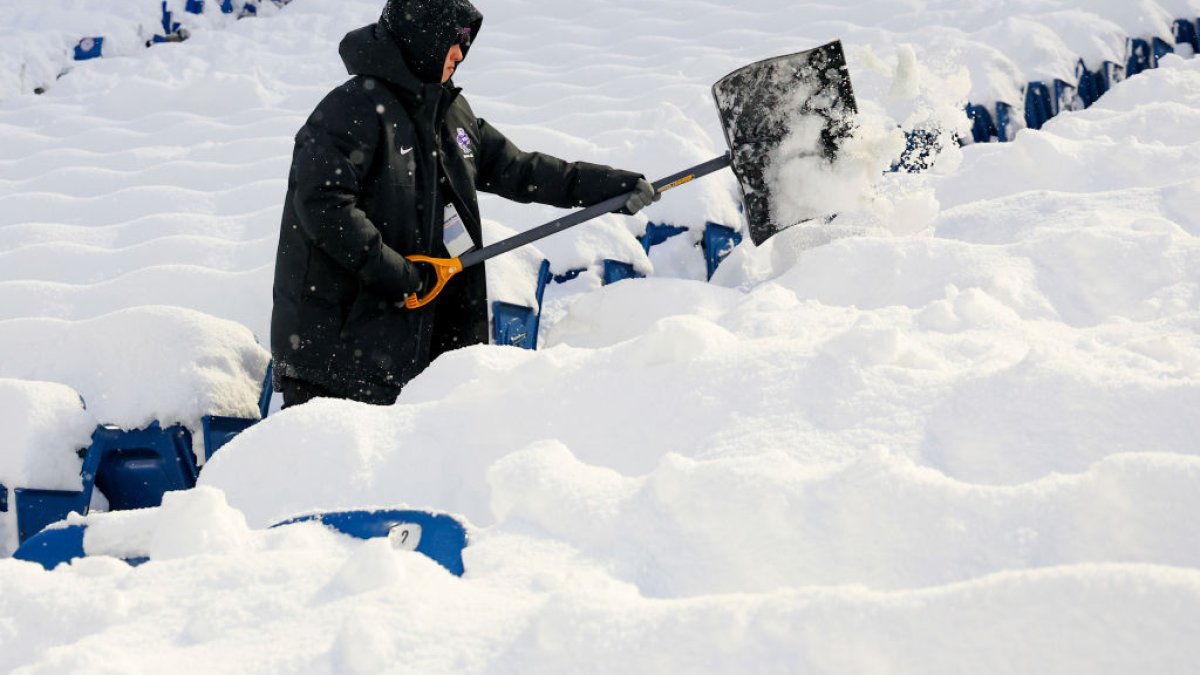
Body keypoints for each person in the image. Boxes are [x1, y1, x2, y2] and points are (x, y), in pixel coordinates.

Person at [270, 0, 658, 408]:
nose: (459, 53)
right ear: (422, 38)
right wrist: (399, 276)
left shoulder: (450, 114)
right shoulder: (350, 110)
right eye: (451, 41)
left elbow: (521, 170)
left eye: (464, 42)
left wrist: (611, 188)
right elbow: (324, 206)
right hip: (337, 362)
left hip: (419, 354)